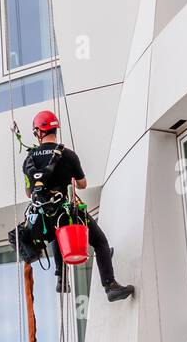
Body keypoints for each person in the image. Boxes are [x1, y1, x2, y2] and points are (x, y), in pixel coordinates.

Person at [20, 110, 134, 300]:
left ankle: (61, 279)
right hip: (64, 209)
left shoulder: (29, 160)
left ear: (38, 132)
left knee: (57, 230)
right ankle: (110, 285)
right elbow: (82, 184)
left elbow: (28, 192)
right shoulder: (68, 155)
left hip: (42, 217)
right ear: (55, 129)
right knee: (100, 242)